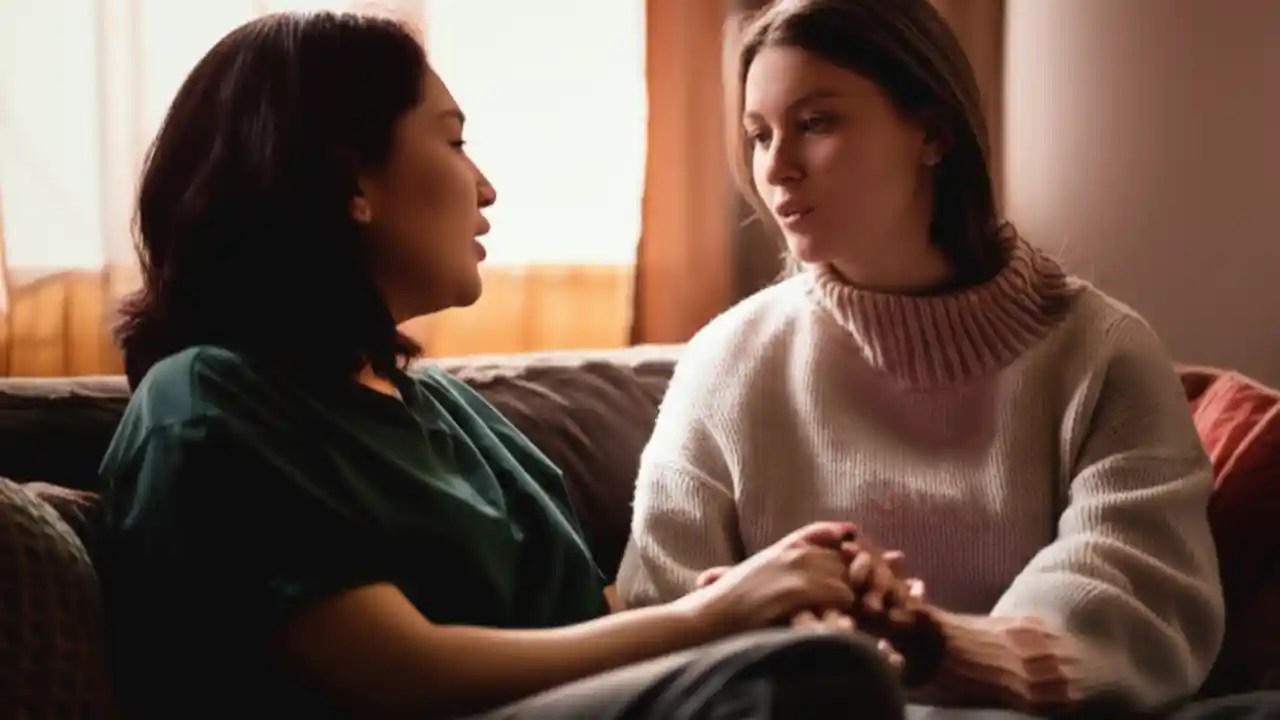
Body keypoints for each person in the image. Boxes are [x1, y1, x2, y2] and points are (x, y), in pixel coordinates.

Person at [97, 11, 908, 720]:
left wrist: (763, 596)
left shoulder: (448, 411)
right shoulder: (208, 403)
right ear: (351, 180)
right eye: (452, 142)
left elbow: (602, 626)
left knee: (827, 660)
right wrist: (711, 624)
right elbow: (396, 675)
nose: (484, 188)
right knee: (813, 682)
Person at [617, 0, 1230, 716]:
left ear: (933, 134)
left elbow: (1136, 609)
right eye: (758, 135)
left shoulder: (1101, 354)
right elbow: (659, 614)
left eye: (816, 123)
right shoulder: (726, 363)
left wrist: (936, 643)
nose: (774, 168)